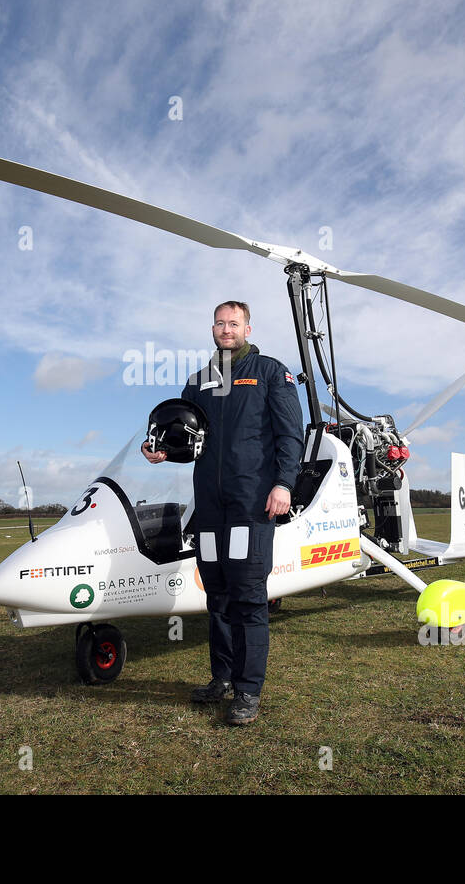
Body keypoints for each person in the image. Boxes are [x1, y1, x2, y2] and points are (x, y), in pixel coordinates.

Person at [142, 300, 304, 725]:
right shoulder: (198, 382)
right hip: (210, 508)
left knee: (249, 598)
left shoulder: (270, 371)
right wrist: (161, 453)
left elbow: (290, 435)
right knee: (217, 596)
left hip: (252, 503)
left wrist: (284, 483)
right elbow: (187, 439)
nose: (226, 329)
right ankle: (223, 679)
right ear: (211, 327)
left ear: (248, 327)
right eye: (220, 323)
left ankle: (249, 691)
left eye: (234, 323)